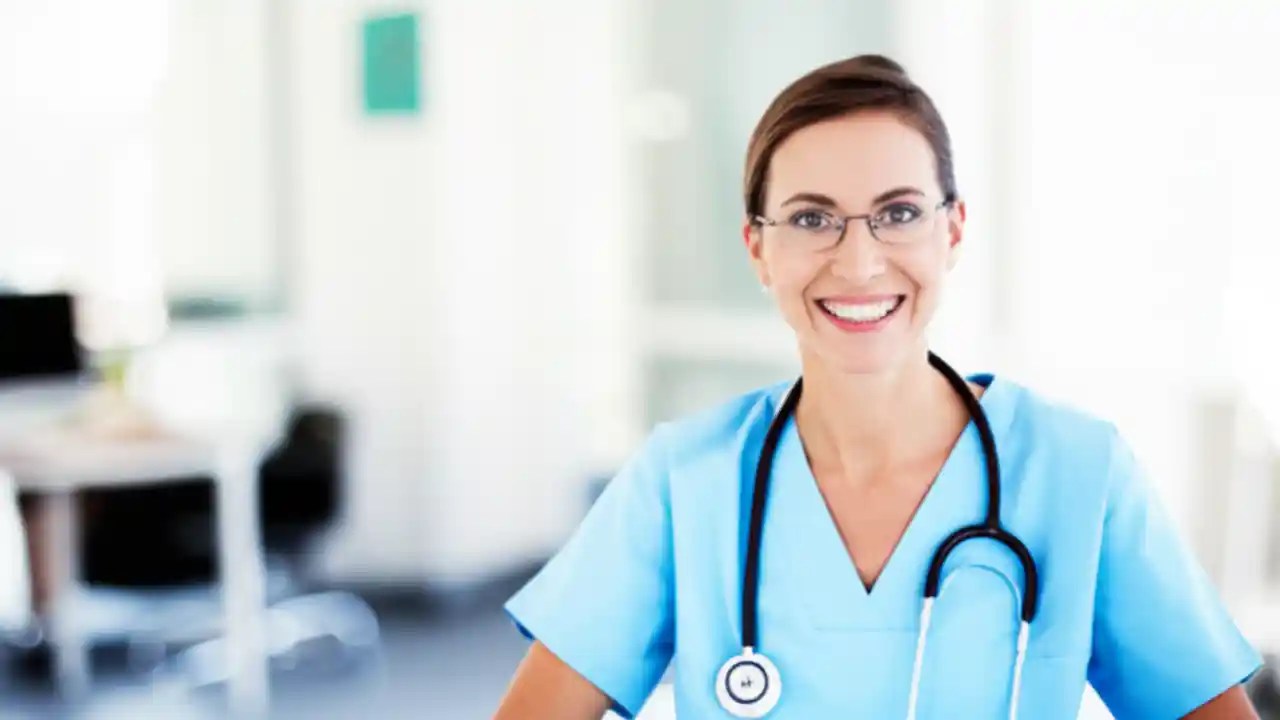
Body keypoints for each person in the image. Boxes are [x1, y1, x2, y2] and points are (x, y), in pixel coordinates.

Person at [492, 55, 1262, 719]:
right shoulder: (685, 482)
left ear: (952, 230)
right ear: (757, 248)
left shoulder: (1076, 472)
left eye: (896, 213)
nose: (858, 263)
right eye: (810, 218)